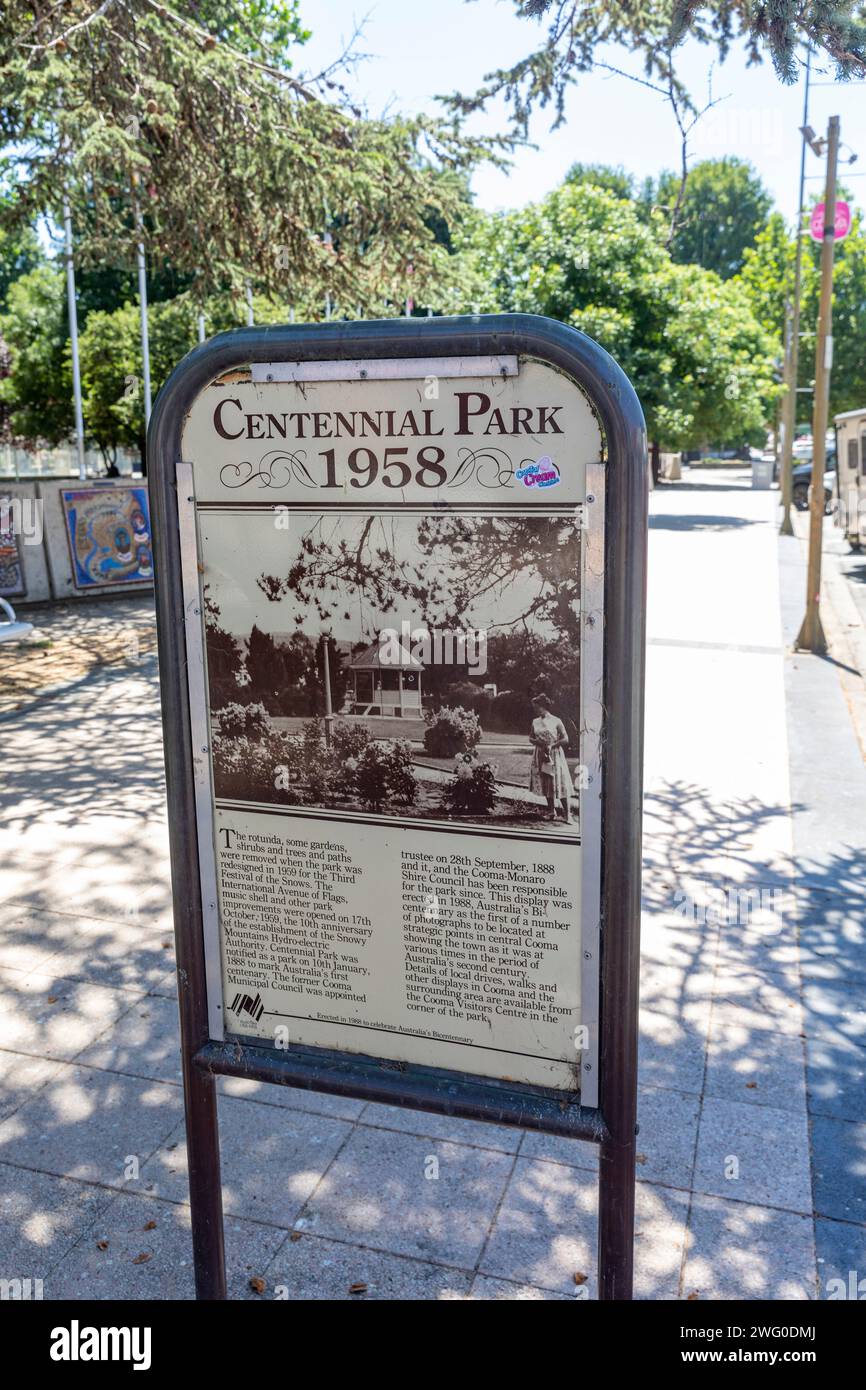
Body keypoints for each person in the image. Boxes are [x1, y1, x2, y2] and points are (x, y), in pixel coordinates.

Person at [529, 693, 574, 823]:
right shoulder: (535, 721)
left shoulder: (556, 720)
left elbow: (566, 739)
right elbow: (530, 738)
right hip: (540, 754)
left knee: (559, 782)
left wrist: (552, 745)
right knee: (546, 782)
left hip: (554, 754)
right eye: (534, 707)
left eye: (537, 707)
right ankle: (551, 811)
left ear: (543, 706)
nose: (535, 709)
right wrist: (539, 744)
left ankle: (567, 814)